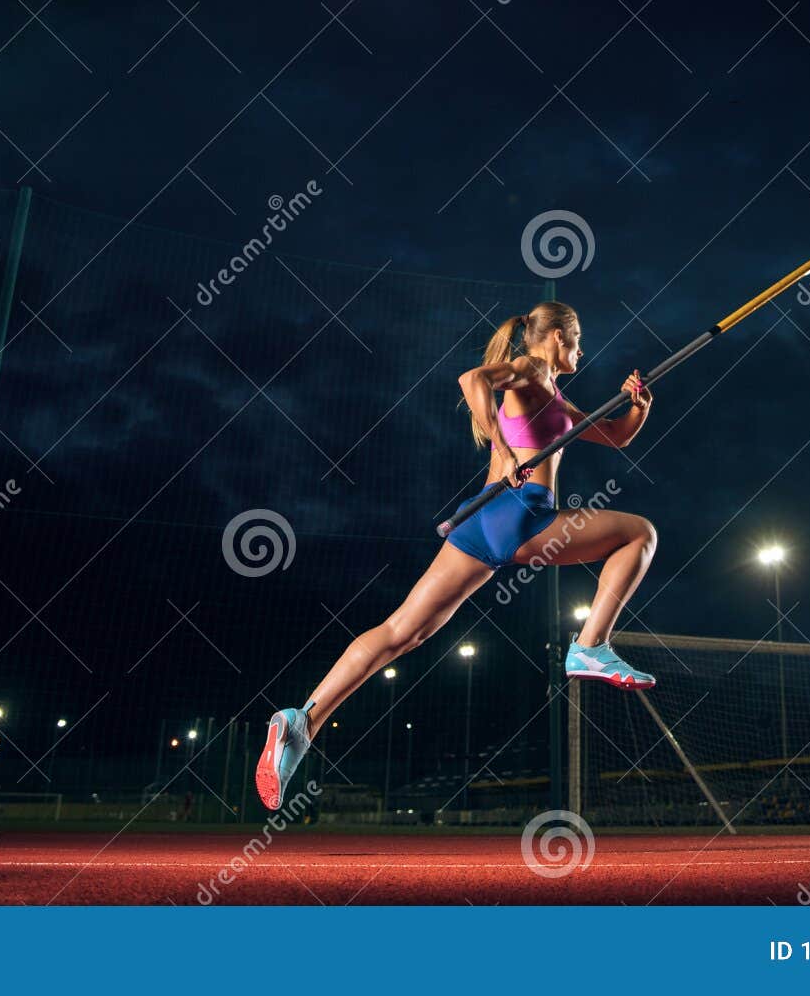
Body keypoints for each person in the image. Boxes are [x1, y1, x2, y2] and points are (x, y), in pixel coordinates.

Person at [256, 302, 659, 809]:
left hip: (481, 520)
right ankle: (590, 646)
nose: (583, 350)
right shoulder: (532, 369)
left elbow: (613, 436)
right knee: (639, 534)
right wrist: (508, 451)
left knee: (402, 632)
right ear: (558, 336)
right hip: (521, 513)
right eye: (579, 341)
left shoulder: (553, 394)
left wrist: (637, 406)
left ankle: (302, 722)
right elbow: (471, 379)